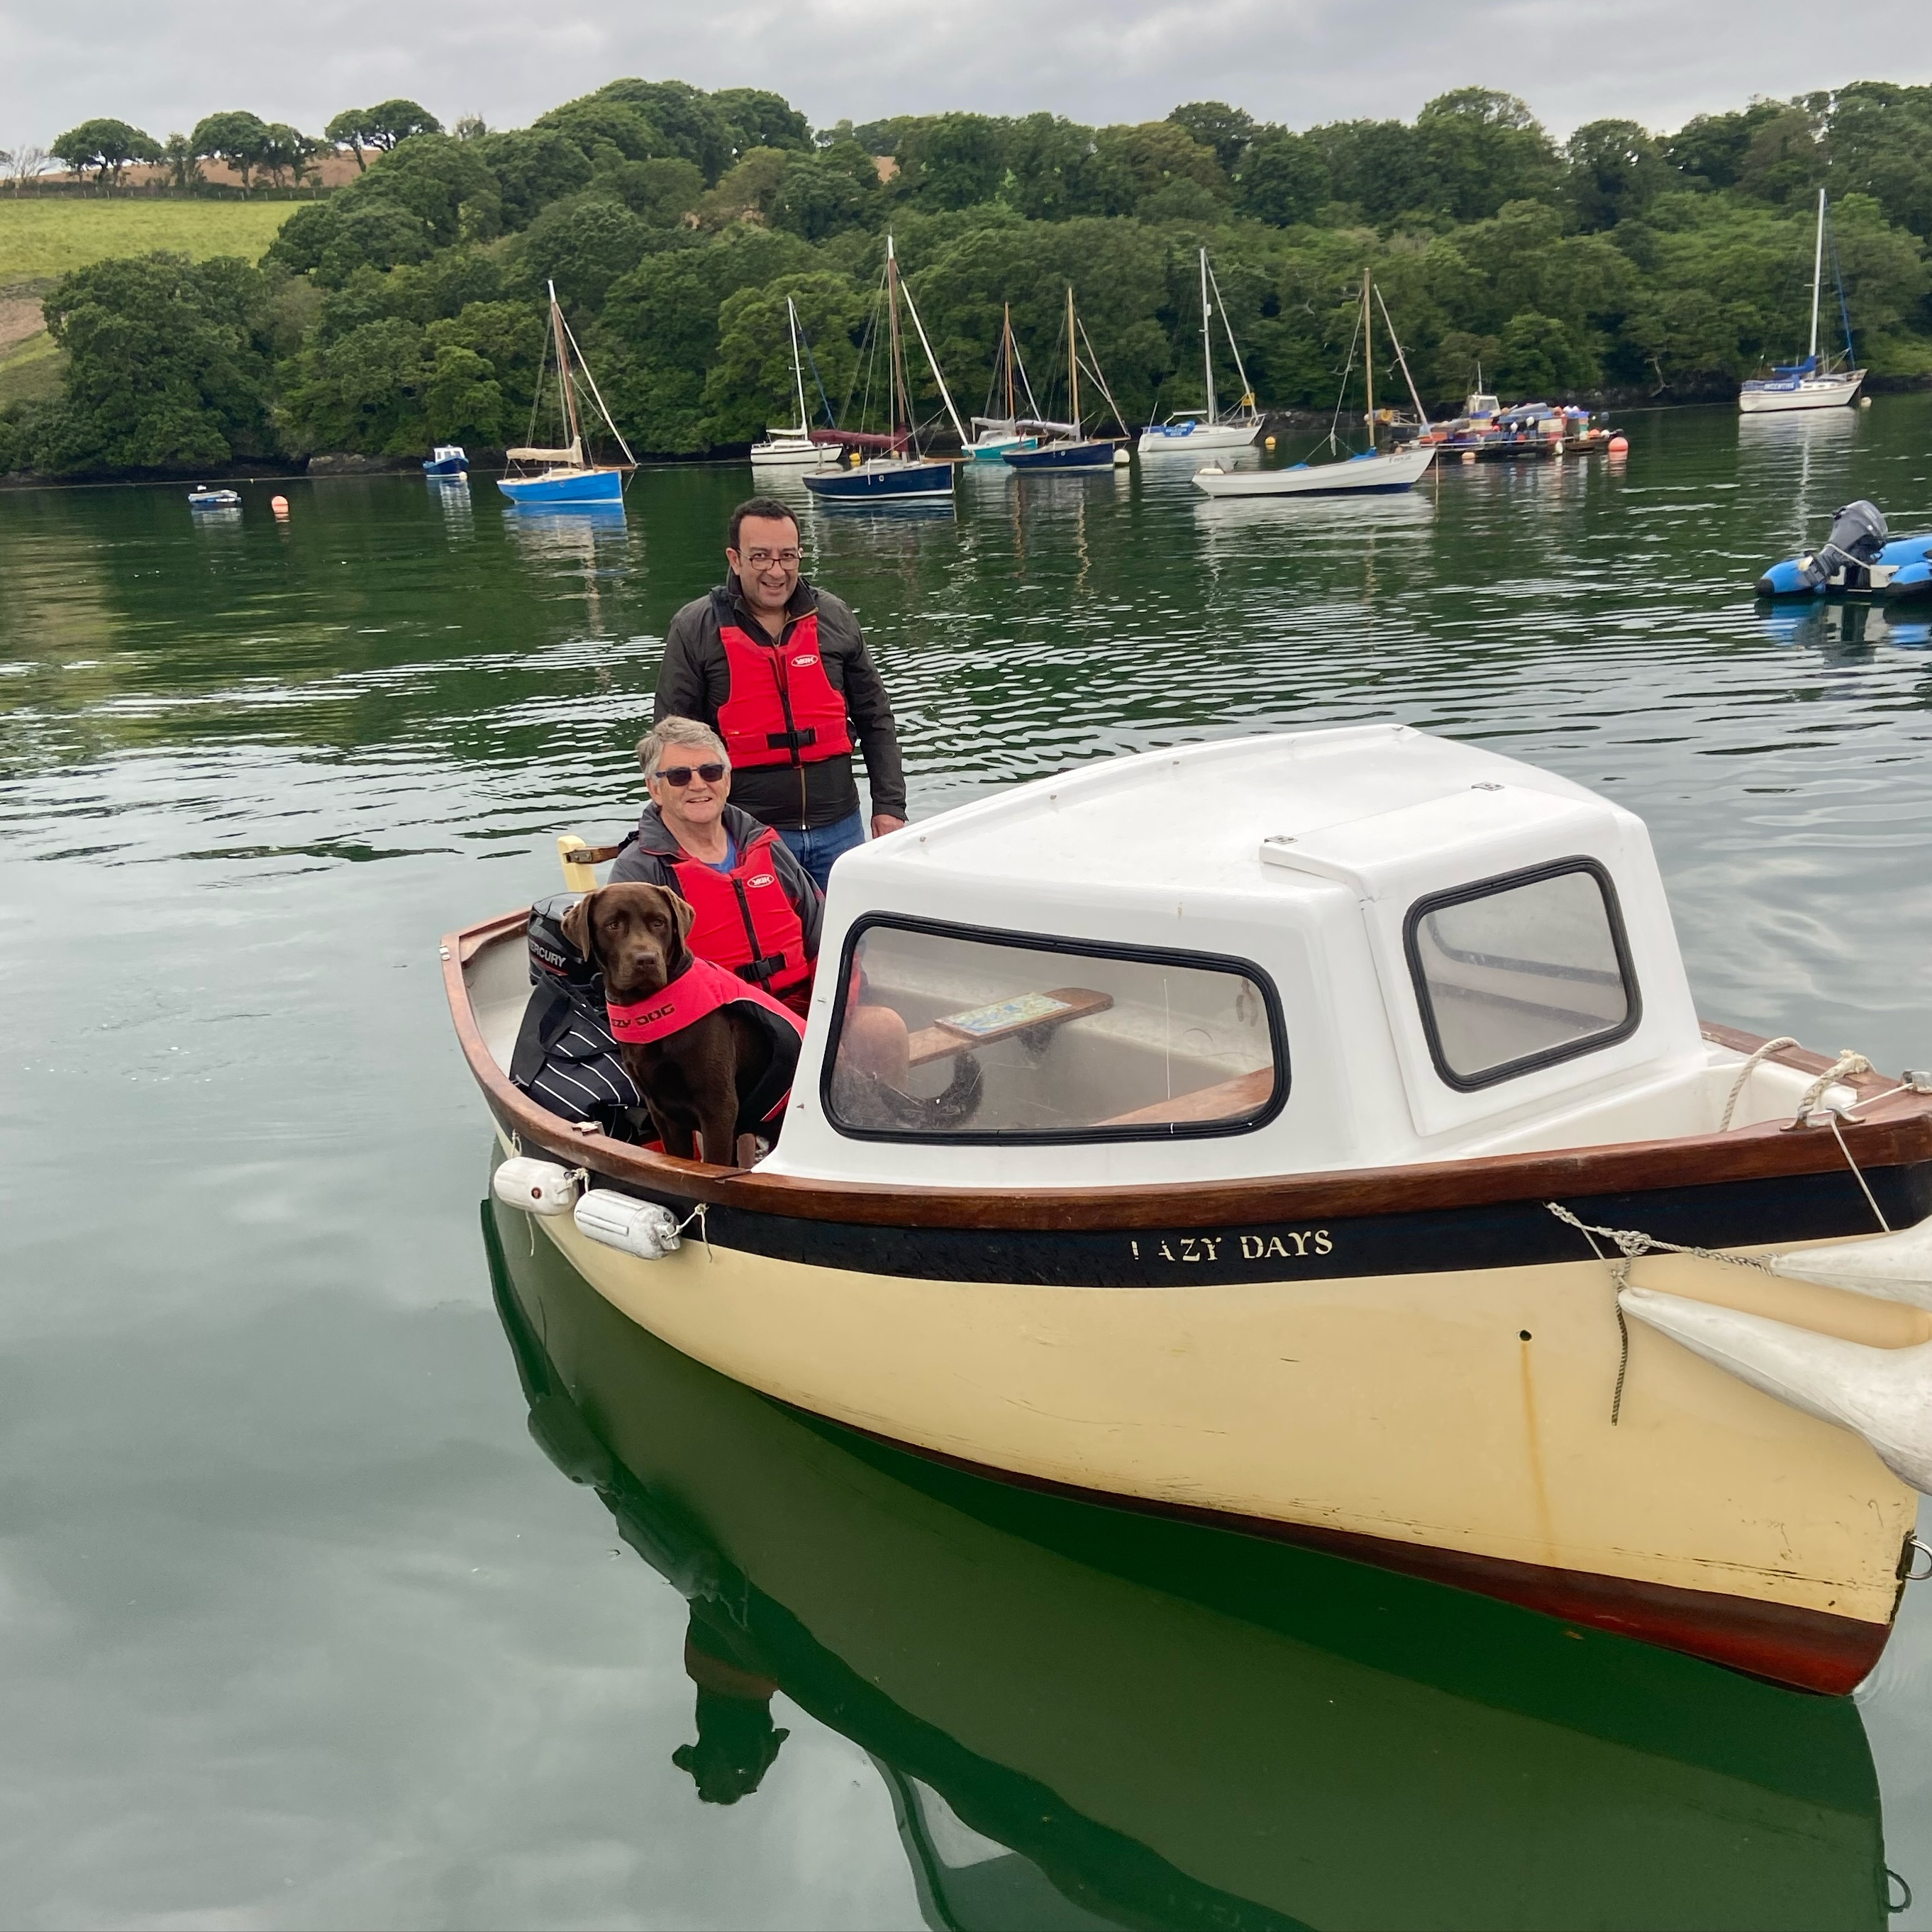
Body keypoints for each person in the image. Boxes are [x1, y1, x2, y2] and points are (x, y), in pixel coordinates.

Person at [652, 496, 908, 893]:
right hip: (747, 833)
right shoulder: (694, 628)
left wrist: (890, 805)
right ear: (735, 559)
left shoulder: (835, 617)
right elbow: (671, 741)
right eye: (761, 557)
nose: (776, 571)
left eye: (788, 556)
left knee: (846, 929)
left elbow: (875, 717)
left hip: (840, 826)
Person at [610, 718, 821, 1014]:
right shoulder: (638, 871)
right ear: (655, 788)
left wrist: (840, 1004)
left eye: (711, 771)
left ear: (727, 780)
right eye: (679, 776)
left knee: (878, 1024)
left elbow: (820, 931)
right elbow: (634, 978)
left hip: (803, 1003)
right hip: (712, 1019)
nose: (698, 785)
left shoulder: (766, 845)